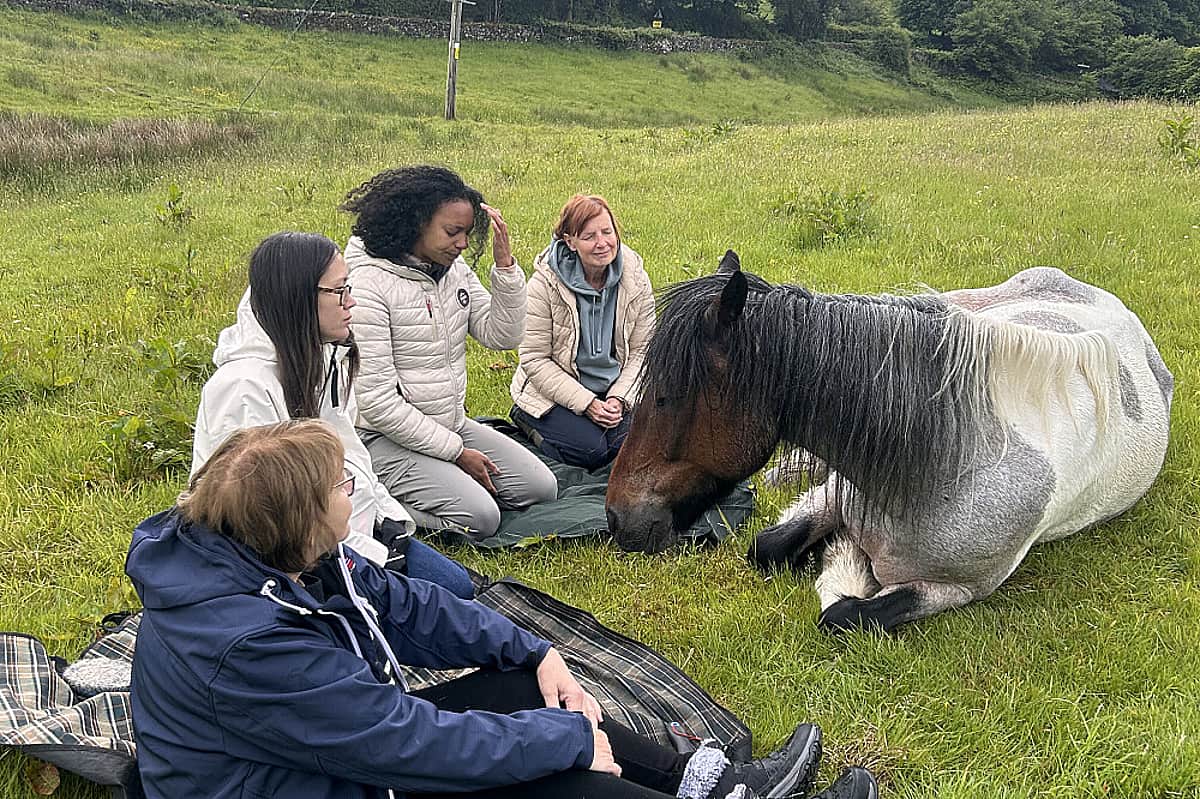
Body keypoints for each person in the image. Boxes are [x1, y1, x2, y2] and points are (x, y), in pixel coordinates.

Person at [128, 419, 879, 799]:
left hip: (329, 762)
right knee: (542, 774)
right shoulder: (246, 647)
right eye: (339, 488)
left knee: (515, 688)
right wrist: (564, 741)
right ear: (296, 520)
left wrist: (533, 651)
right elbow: (405, 742)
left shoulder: (276, 553)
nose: (352, 495)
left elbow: (406, 605)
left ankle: (713, 782)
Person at [191, 231, 474, 599]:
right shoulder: (244, 389)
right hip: (291, 560)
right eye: (339, 290)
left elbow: (351, 454)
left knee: (456, 590)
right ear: (299, 297)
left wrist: (386, 522)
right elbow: (265, 523)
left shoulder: (323, 355)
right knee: (446, 601)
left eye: (349, 287)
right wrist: (369, 558)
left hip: (346, 533)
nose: (351, 302)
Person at [341, 165, 558, 541]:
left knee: (540, 488)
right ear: (415, 225)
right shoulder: (368, 284)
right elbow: (375, 402)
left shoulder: (451, 270)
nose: (461, 244)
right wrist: (457, 455)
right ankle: (377, 504)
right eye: (452, 232)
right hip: (382, 438)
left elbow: (501, 335)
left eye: (466, 233)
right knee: (481, 519)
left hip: (448, 423)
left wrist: (505, 269)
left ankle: (441, 479)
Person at [510, 194, 656, 469]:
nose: (602, 243)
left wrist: (619, 398)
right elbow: (534, 359)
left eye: (607, 232)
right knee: (593, 452)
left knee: (637, 442)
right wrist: (587, 404)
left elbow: (642, 350)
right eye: (589, 236)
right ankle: (526, 421)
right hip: (553, 393)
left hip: (611, 390)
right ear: (570, 242)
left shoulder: (635, 277)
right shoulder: (543, 285)